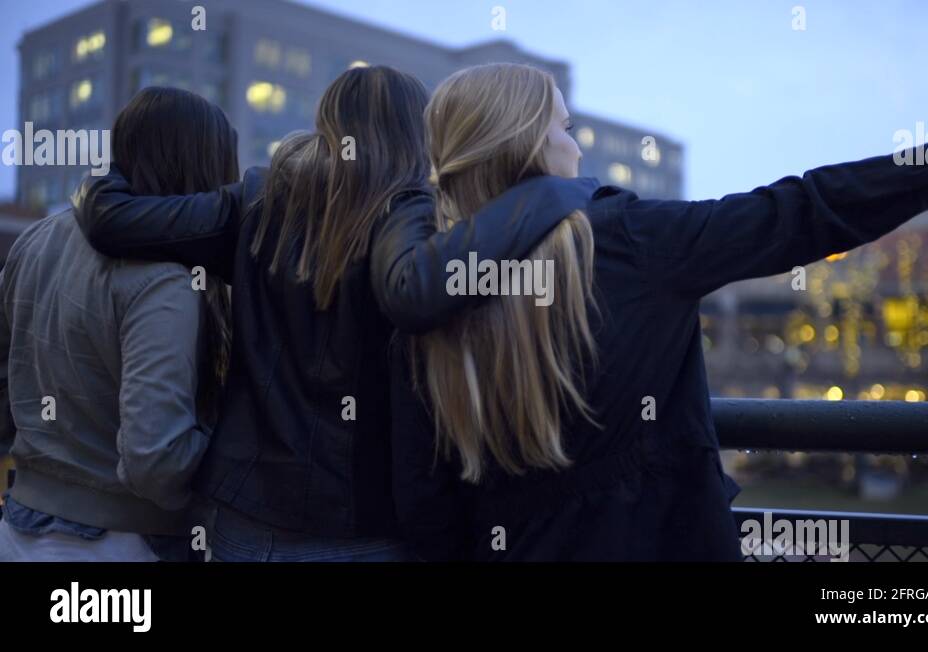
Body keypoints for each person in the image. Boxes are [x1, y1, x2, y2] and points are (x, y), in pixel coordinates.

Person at [389, 62, 928, 561]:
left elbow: (426, 507)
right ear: (532, 145)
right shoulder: (631, 239)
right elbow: (806, 209)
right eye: (566, 129)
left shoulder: (420, 295)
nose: (577, 148)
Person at [71, 66, 594, 561]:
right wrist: (561, 191)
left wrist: (110, 165)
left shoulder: (257, 201)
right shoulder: (413, 217)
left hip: (243, 518)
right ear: (418, 136)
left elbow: (113, 220)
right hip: (367, 529)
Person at [0, 87, 234, 561]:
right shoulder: (165, 278)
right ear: (206, 169)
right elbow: (155, 457)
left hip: (17, 528)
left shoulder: (34, 242)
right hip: (119, 544)